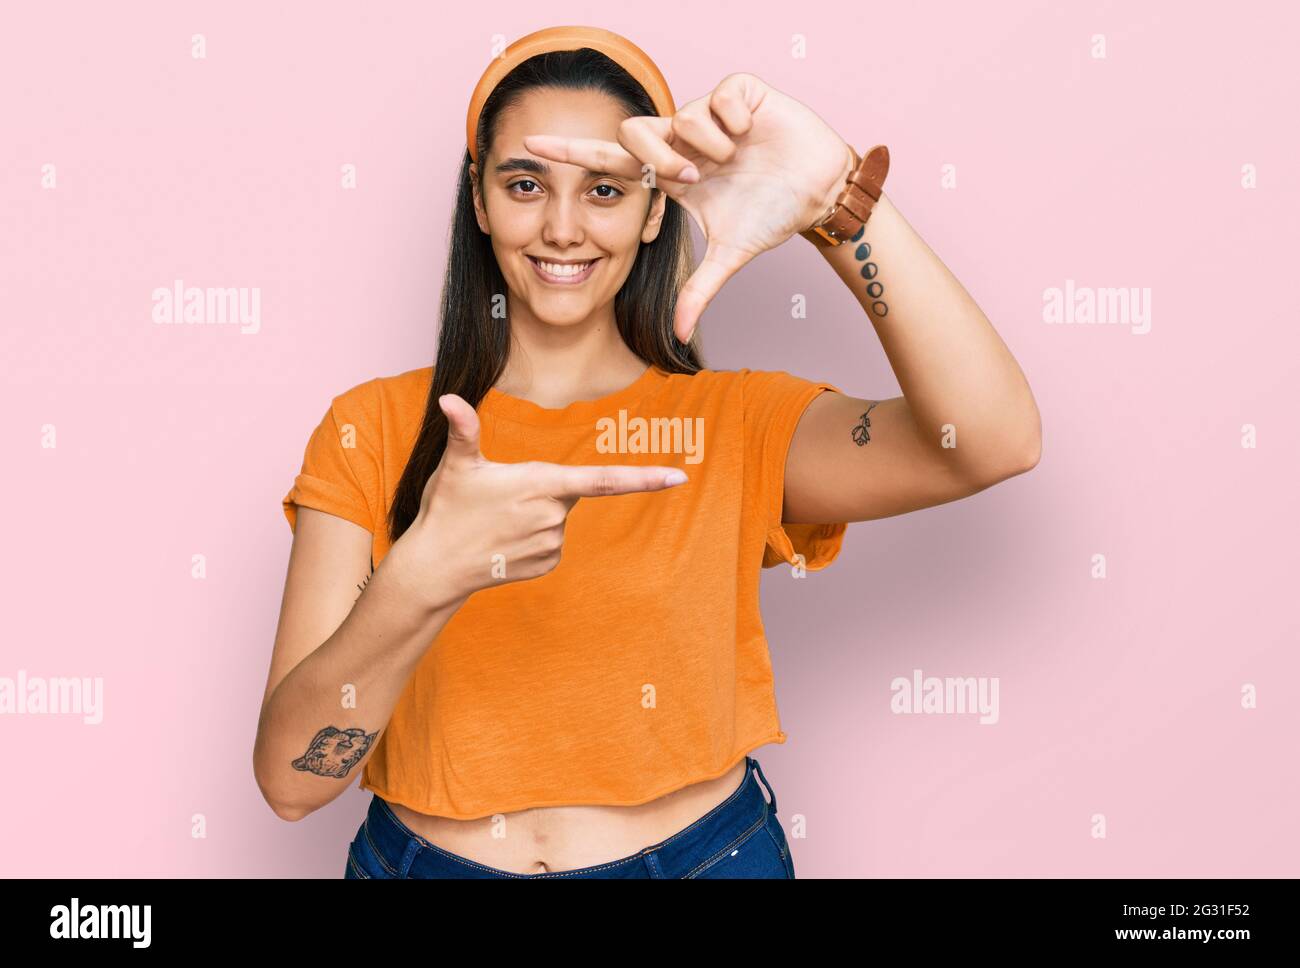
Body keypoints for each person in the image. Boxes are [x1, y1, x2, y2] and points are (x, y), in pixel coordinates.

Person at [253, 26, 1041, 879]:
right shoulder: (371, 427)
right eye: (525, 184)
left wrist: (835, 204)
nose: (561, 228)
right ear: (479, 202)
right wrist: (420, 579)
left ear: (656, 206)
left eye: (605, 189)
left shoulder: (733, 421)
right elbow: (292, 783)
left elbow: (992, 440)